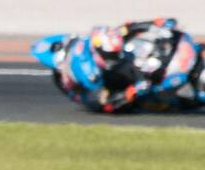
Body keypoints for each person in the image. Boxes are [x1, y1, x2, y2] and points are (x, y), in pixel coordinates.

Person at [56, 17, 188, 113]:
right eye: (112, 54)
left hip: (132, 60)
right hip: (112, 89)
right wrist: (131, 92)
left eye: (116, 52)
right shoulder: (93, 73)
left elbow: (131, 27)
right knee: (152, 100)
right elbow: (104, 102)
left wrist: (157, 23)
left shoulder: (109, 39)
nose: (115, 55)